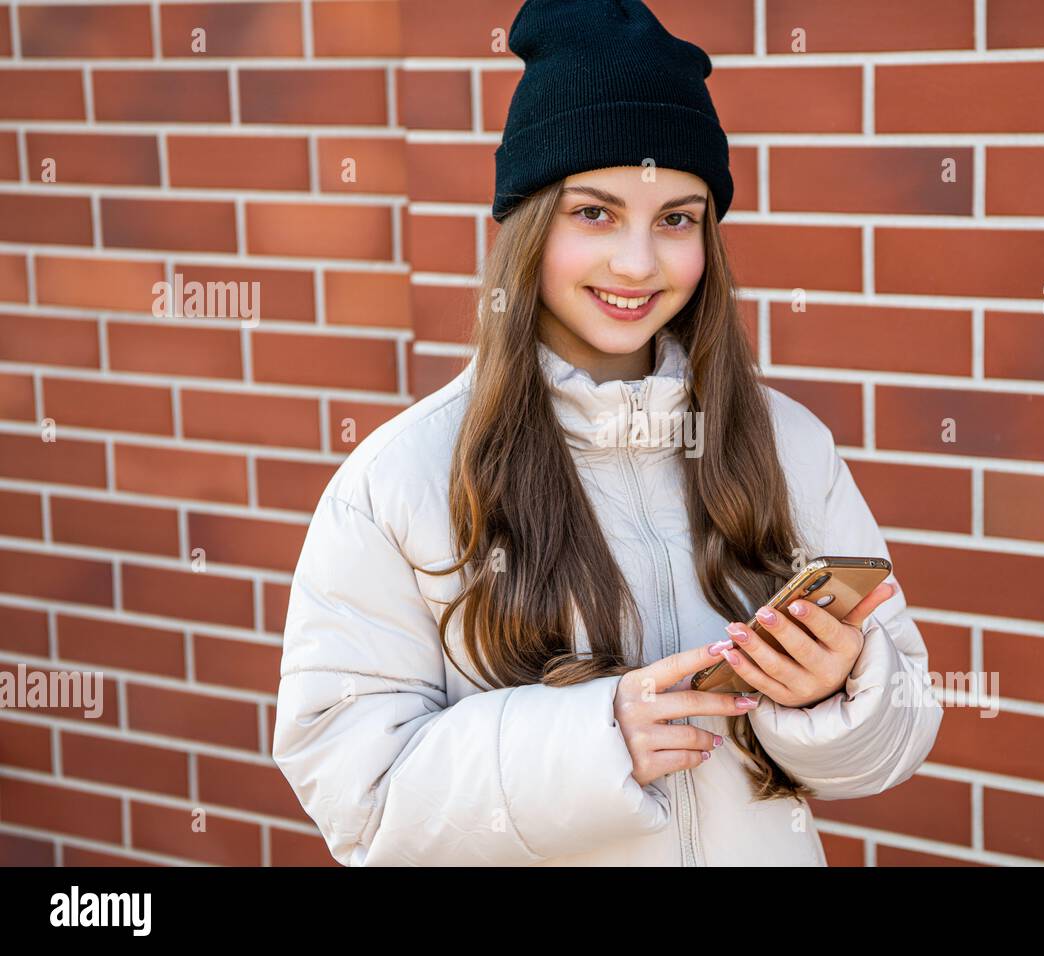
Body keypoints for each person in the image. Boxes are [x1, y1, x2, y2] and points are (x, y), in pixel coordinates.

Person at [272, 0, 942, 867]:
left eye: (677, 218)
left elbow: (901, 730)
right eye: (594, 212)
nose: (638, 263)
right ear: (527, 226)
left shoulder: (789, 445)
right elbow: (353, 792)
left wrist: (834, 691)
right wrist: (594, 742)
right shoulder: (398, 480)